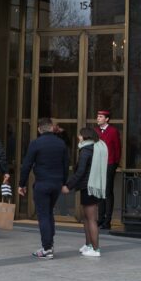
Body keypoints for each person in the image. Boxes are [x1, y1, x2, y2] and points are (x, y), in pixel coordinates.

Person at [18, 117, 69, 259]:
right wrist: (64, 182)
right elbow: (66, 165)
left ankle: (47, 248)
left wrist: (21, 184)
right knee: (49, 213)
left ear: (39, 129)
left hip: (42, 183)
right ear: (52, 128)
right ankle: (50, 244)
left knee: (43, 215)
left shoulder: (36, 143)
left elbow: (27, 165)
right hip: (56, 184)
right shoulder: (61, 144)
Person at [62, 127, 107, 258]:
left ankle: (95, 248)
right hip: (90, 187)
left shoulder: (86, 151)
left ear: (85, 137)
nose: (78, 137)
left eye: (80, 135)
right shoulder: (94, 148)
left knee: (91, 219)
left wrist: (68, 186)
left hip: (88, 187)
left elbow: (80, 172)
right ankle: (88, 245)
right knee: (86, 218)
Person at [95, 109, 121, 230]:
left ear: (107, 119)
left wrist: (115, 164)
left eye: (100, 117)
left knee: (107, 192)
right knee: (100, 192)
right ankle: (100, 219)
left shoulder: (113, 131)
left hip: (109, 164)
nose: (98, 118)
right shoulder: (95, 131)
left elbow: (117, 149)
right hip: (98, 165)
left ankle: (107, 220)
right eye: (98, 116)